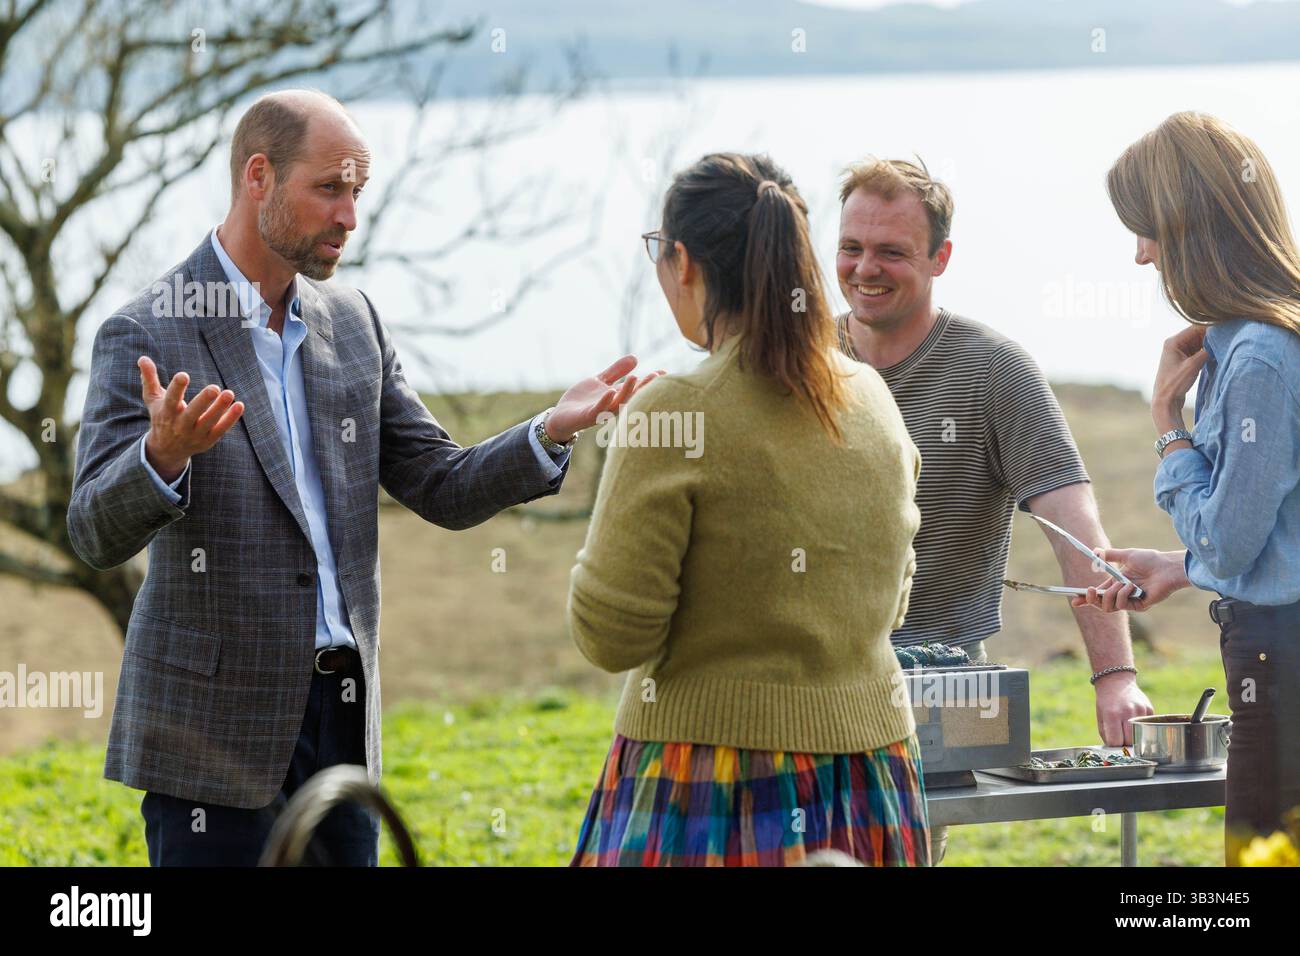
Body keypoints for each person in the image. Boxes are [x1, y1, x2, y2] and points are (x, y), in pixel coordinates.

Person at [67, 89, 659, 866]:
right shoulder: (148, 330)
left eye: (358, 192)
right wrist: (161, 460)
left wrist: (548, 430)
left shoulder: (354, 323)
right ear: (257, 177)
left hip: (346, 721)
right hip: (211, 737)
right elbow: (90, 532)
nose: (350, 216)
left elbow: (440, 483)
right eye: (330, 188)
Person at [567, 152, 930, 867]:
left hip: (711, 780)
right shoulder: (872, 399)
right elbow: (892, 600)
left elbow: (611, 635)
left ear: (684, 262)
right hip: (871, 780)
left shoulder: (673, 409)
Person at [831, 157, 1153, 863]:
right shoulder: (800, 357)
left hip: (937, 692)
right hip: (806, 684)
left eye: (893, 251)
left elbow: (1075, 531)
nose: (865, 269)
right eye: (851, 248)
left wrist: (1116, 676)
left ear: (941, 257)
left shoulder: (995, 369)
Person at [1074, 111, 1300, 866]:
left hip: (1281, 662)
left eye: (1149, 231)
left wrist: (1168, 423)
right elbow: (1273, 535)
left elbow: (1231, 539)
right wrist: (1179, 567)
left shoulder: (1259, 359)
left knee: (1259, 862)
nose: (1141, 256)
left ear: (1195, 229)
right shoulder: (1266, 340)